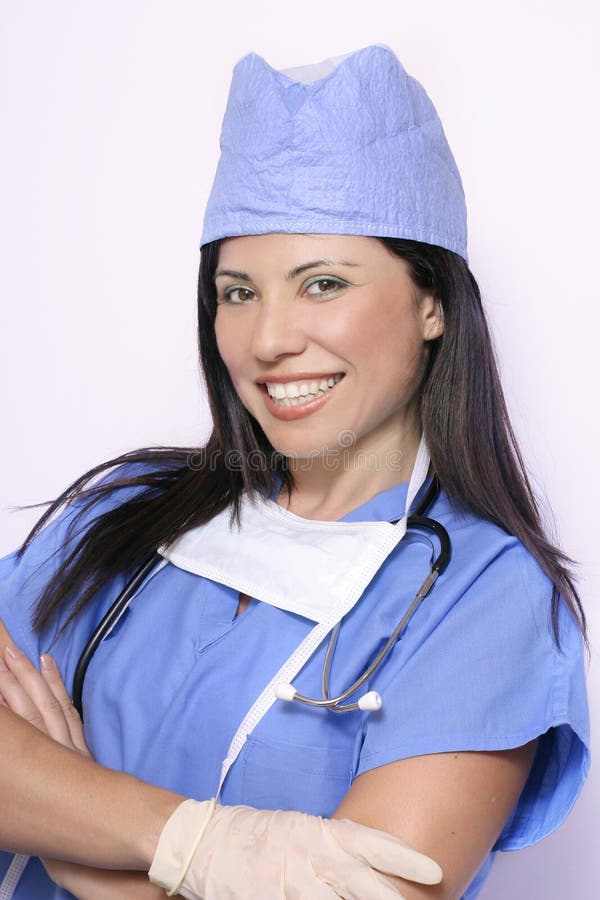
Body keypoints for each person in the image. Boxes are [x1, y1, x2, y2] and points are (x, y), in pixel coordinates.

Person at [0, 44, 590, 900]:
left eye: (321, 283)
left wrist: (69, 828)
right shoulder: (123, 518)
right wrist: (189, 845)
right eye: (237, 292)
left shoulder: (490, 604)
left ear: (432, 302)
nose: (267, 339)